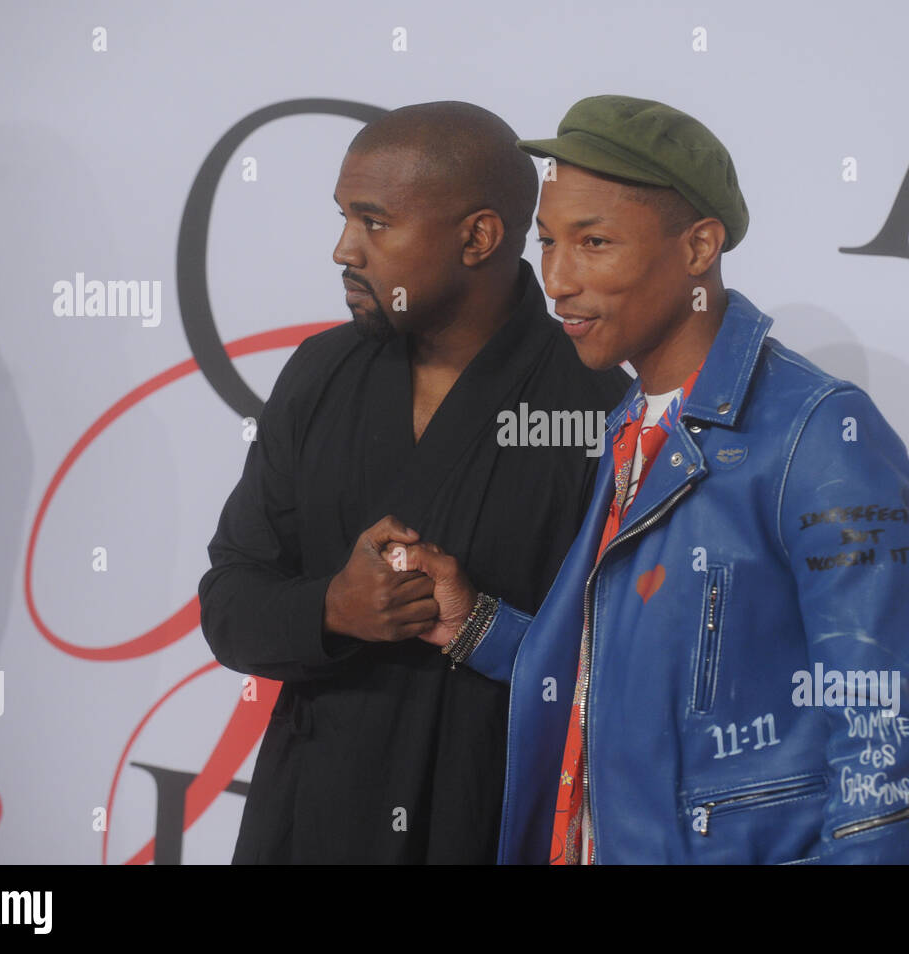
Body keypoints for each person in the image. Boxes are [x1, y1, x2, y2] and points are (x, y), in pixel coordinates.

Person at [388, 95, 909, 864]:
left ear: (699, 248)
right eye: (548, 242)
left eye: (594, 242)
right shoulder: (632, 419)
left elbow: (880, 742)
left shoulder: (817, 433)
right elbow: (625, 686)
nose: (557, 279)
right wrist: (475, 624)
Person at [197, 100, 631, 863]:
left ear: (477, 237)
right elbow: (229, 601)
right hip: (309, 820)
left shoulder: (597, 406)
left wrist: (481, 623)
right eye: (344, 218)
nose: (344, 249)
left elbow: (628, 677)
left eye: (374, 223)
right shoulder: (319, 374)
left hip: (490, 823)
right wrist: (333, 609)